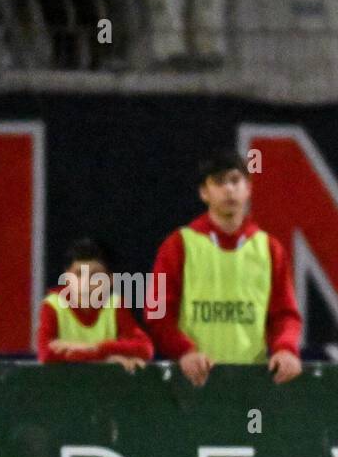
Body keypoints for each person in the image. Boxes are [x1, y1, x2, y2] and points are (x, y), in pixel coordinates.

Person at [146, 150, 303, 387]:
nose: (229, 189)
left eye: (235, 180)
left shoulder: (269, 248)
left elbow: (285, 315)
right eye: (219, 182)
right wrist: (184, 352)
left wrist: (286, 349)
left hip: (251, 382)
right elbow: (157, 314)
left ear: (248, 188)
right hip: (192, 381)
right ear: (204, 193)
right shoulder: (178, 245)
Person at [37, 238, 154, 371]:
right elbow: (46, 354)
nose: (86, 282)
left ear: (110, 280)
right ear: (67, 277)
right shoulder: (53, 305)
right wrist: (104, 358)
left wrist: (95, 348)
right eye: (79, 274)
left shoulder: (115, 305)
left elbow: (145, 348)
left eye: (95, 275)